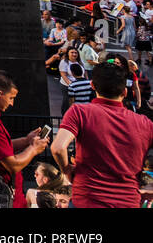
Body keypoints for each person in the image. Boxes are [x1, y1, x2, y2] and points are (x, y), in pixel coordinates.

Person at [51, 59, 153, 208]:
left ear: (92, 86)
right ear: (125, 92)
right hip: (128, 202)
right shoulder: (145, 123)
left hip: (86, 200)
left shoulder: (79, 112)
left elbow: (58, 148)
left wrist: (67, 171)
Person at [0, 70, 50, 208]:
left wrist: (26, 140)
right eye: (11, 98)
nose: (12, 103)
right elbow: (13, 165)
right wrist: (33, 149)